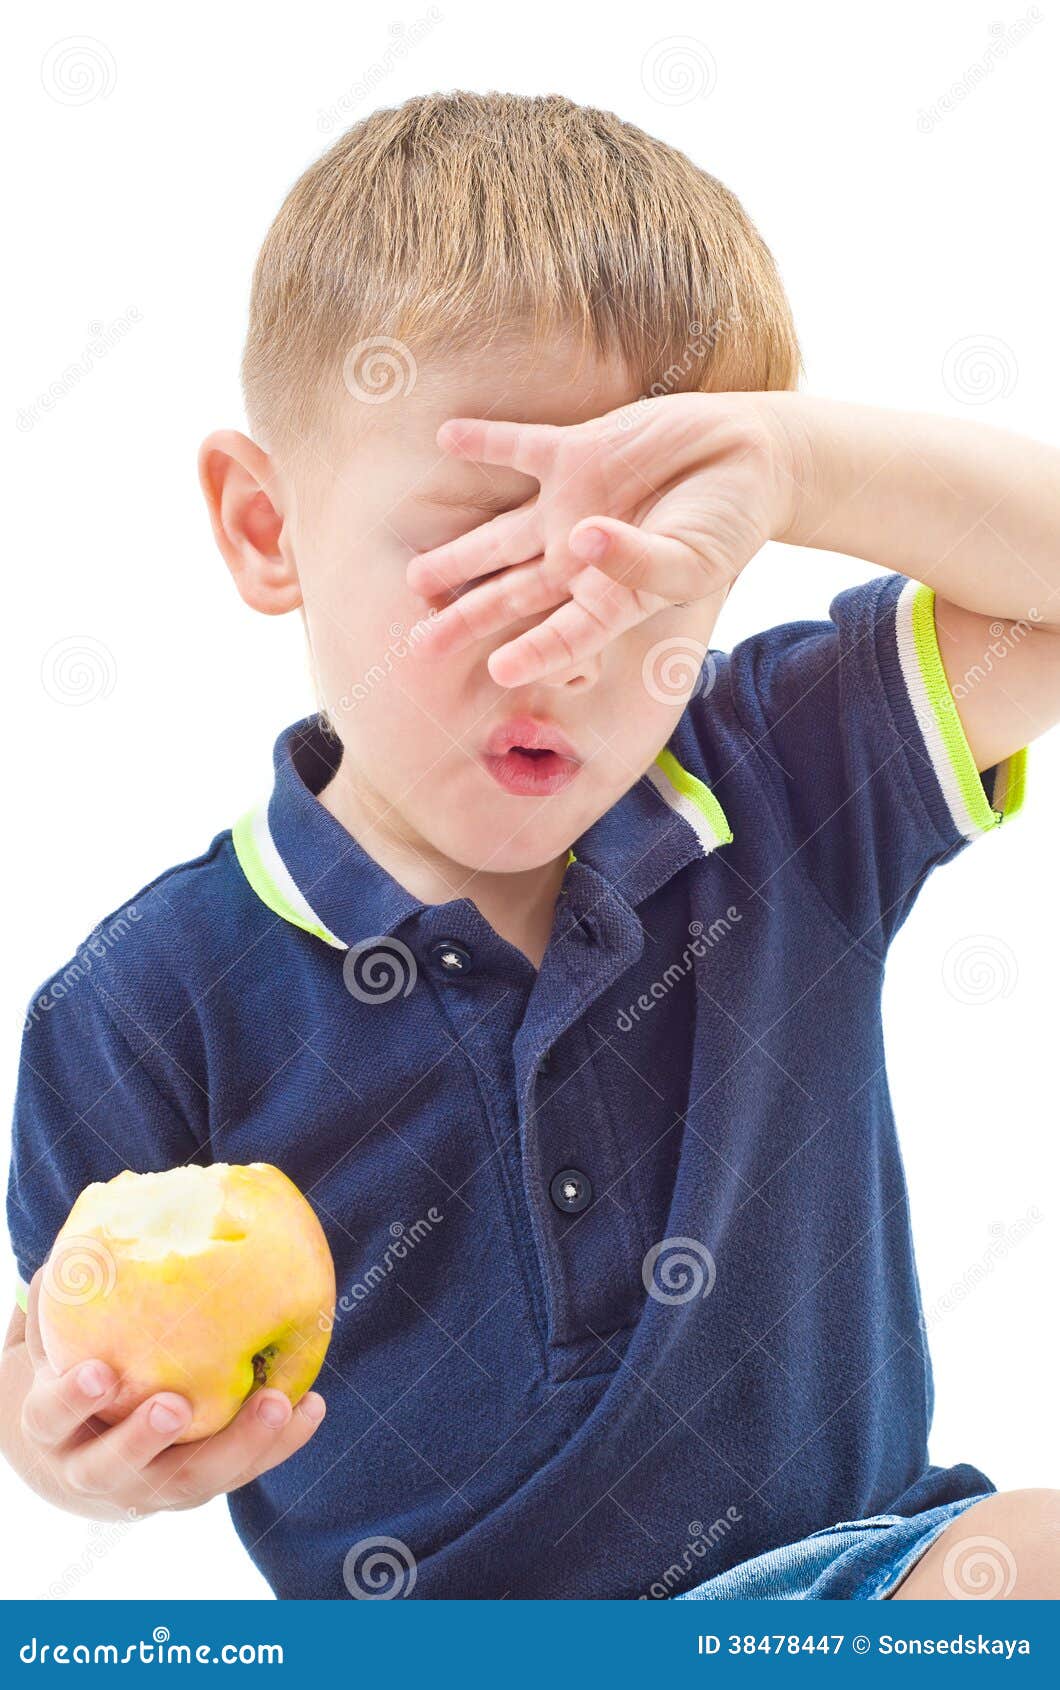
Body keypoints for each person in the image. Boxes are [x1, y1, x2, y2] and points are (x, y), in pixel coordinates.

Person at [4, 91, 1058, 1601]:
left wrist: (794, 464)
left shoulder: (785, 775)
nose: (564, 640)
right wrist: (71, 1450)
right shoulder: (142, 1001)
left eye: (647, 563)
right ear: (266, 526)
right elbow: (51, 1347)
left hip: (844, 1591)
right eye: (484, 551)